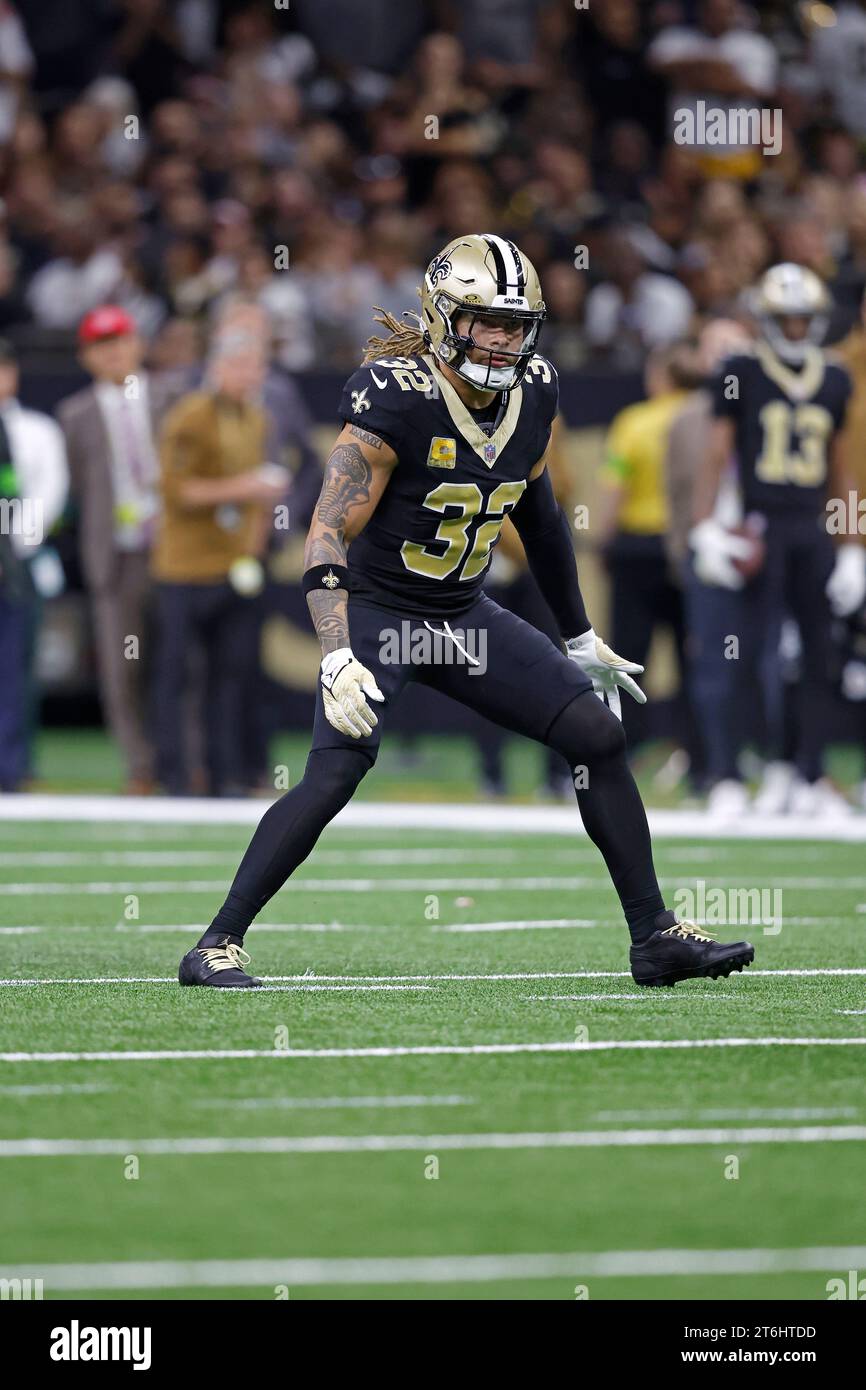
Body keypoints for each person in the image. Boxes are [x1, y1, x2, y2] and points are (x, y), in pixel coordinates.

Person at [178, 233, 754, 989]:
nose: (504, 338)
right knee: (335, 771)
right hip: (380, 613)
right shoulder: (396, 395)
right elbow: (326, 528)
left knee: (596, 735)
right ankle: (215, 943)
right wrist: (336, 648)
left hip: (461, 616)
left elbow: (541, 519)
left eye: (516, 324)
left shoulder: (534, 390)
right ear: (445, 317)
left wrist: (577, 633)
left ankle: (654, 938)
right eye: (487, 321)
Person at [690, 263, 866, 816]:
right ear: (766, 319)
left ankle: (805, 774)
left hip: (810, 528)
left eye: (802, 319)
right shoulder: (740, 370)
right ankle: (732, 775)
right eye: (784, 319)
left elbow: (842, 469)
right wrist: (704, 527)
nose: (793, 329)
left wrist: (851, 545)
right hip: (758, 526)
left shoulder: (836, 377)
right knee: (745, 653)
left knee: (819, 658)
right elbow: (717, 455)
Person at [150, 344, 288, 796]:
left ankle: (224, 774)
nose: (250, 375)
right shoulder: (189, 416)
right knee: (175, 675)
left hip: (234, 566)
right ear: (217, 368)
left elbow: (261, 504)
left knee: (232, 674)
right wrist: (245, 487)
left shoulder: (257, 418)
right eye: (241, 364)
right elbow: (177, 492)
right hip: (185, 568)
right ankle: (172, 775)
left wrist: (252, 550)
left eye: (256, 366)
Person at [58, 305, 172, 794]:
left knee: (176, 660)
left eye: (121, 340)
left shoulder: (172, 395)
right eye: (102, 345)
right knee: (121, 666)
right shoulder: (75, 414)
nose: (114, 352)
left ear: (139, 344)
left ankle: (181, 759)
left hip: (171, 548)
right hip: (116, 553)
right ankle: (139, 765)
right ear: (87, 356)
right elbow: (77, 489)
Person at [0, 339, 68, 791]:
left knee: (15, 667)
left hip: (16, 565)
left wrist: (14, 542)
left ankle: (11, 766)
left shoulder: (38, 430)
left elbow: (51, 491)